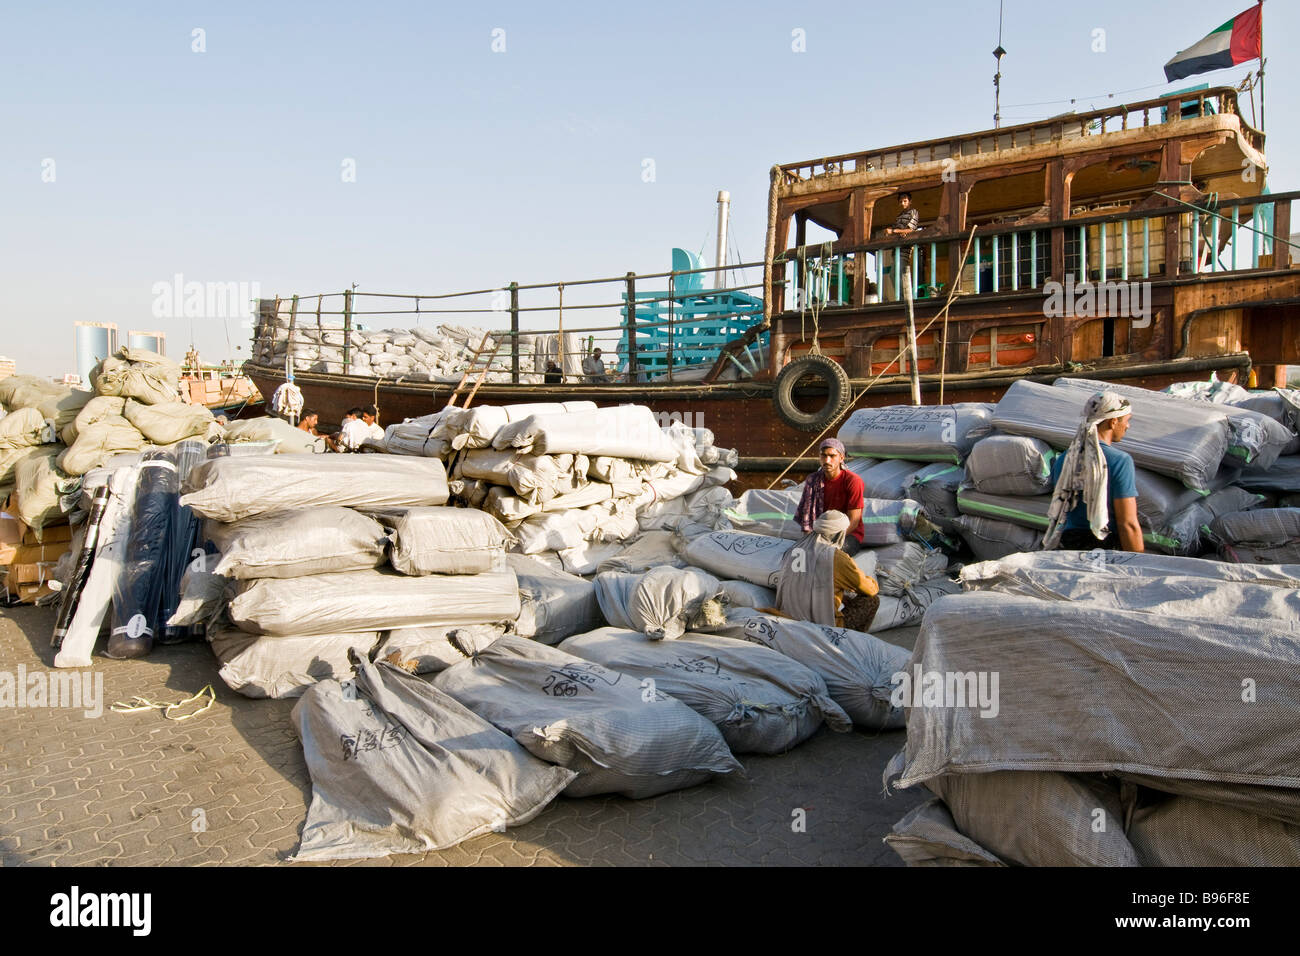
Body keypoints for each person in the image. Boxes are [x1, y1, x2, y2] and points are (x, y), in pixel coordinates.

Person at [1043, 390, 1143, 553]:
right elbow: (1128, 524)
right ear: (1113, 422)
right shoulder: (1120, 460)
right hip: (1104, 548)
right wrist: (1142, 567)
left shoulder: (1065, 459)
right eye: (1126, 420)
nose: (1128, 426)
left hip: (1068, 547)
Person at [774, 510, 879, 629]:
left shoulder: (795, 549)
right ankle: (845, 642)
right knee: (872, 600)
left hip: (786, 615)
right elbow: (870, 589)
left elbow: (807, 582)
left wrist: (840, 595)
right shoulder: (836, 557)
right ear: (840, 534)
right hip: (819, 624)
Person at [794, 438, 866, 554]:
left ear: (841, 458)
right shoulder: (813, 480)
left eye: (832, 456)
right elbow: (807, 516)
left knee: (830, 553)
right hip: (821, 532)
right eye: (823, 455)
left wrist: (831, 540)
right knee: (800, 552)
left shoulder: (853, 481)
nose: (827, 460)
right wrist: (810, 540)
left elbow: (854, 520)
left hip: (848, 534)